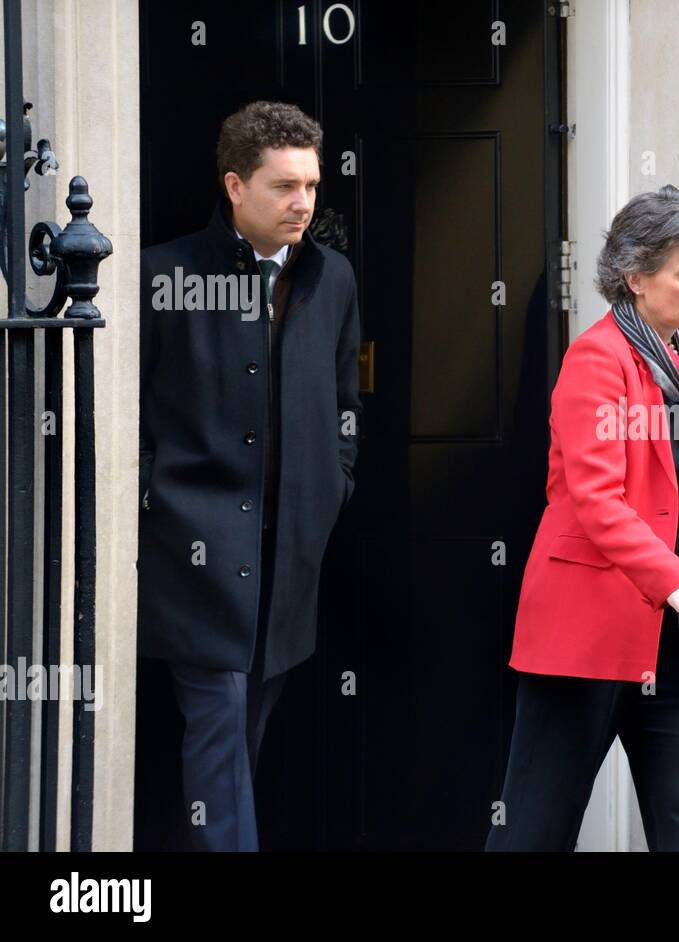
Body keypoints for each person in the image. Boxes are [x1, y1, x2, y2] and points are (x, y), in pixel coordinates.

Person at [485, 185, 679, 851]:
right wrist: (676, 579)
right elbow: (596, 498)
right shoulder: (596, 358)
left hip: (673, 636)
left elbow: (663, 490)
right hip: (588, 628)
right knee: (536, 824)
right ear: (636, 277)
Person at [138, 101, 361, 851]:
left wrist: (332, 486)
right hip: (194, 555)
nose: (303, 202)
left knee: (239, 739)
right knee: (222, 726)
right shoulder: (162, 275)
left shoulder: (333, 279)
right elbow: (129, 410)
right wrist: (153, 500)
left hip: (289, 553)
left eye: (311, 184)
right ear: (235, 186)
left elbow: (343, 403)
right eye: (282, 186)